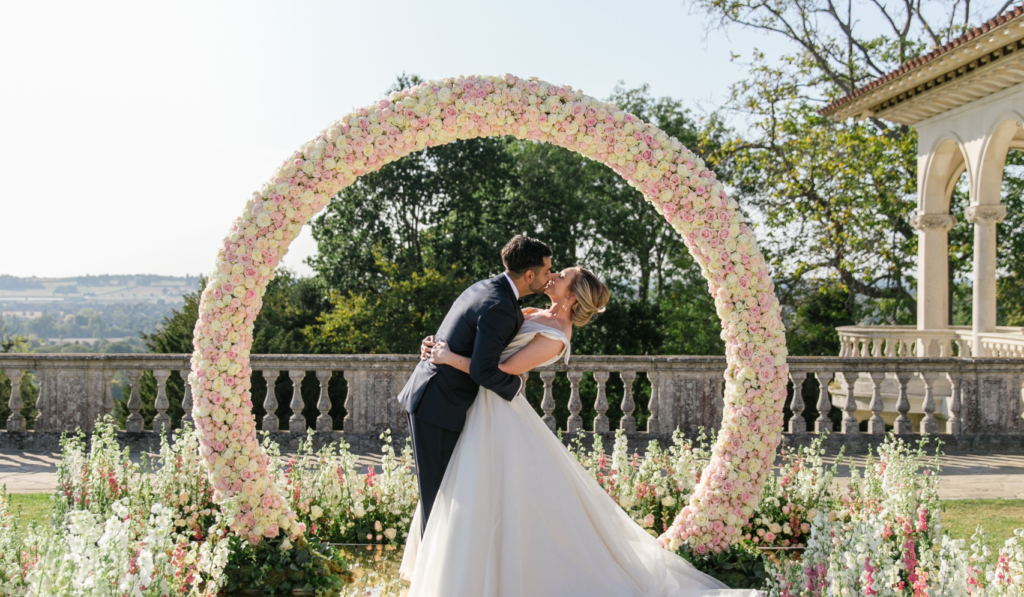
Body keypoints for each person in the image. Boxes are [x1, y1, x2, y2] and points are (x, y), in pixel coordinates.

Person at [399, 266, 758, 597]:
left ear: (571, 296)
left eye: (562, 275)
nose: (552, 276)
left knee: (498, 493)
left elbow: (500, 370)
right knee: (471, 489)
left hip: (500, 413)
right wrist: (441, 345)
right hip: (479, 406)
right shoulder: (530, 313)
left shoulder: (556, 335)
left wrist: (447, 358)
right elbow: (483, 343)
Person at [396, 235, 556, 535]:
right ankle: (432, 579)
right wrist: (516, 386)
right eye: (547, 271)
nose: (549, 277)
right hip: (438, 405)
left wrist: (437, 349)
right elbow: (483, 371)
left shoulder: (486, 287)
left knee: (447, 492)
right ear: (530, 275)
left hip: (436, 396)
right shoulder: (500, 306)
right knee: (438, 496)